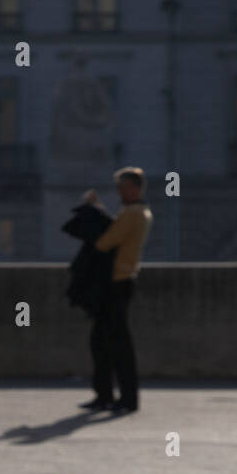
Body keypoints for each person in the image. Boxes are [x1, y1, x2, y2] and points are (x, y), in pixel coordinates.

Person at [79, 167, 153, 416]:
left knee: (117, 343)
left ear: (134, 188)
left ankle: (123, 397)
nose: (120, 193)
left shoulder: (133, 214)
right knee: (103, 340)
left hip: (117, 282)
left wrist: (95, 211)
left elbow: (105, 241)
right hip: (120, 281)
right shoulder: (136, 213)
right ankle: (106, 395)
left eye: (123, 188)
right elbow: (114, 231)